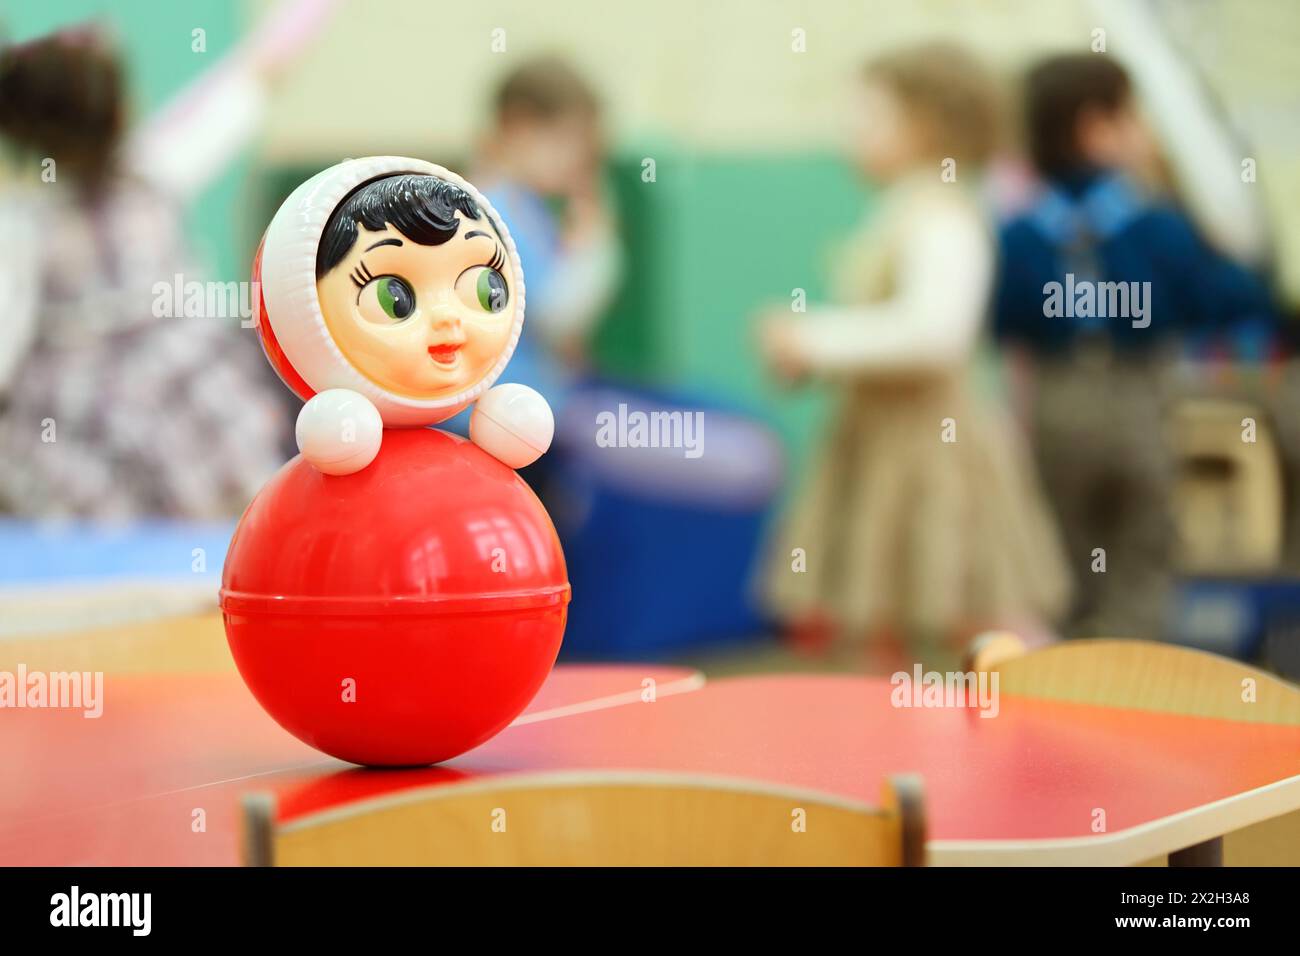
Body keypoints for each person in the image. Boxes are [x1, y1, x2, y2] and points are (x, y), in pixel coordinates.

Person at [757, 44, 1070, 669]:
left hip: (932, 448)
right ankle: (906, 735)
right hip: (882, 440)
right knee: (888, 607)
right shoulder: (903, 207)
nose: (852, 131)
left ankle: (1054, 712)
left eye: (871, 116)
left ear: (926, 126)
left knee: (964, 600)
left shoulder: (940, 213)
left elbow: (937, 332)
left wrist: (816, 338)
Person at [0, 1, 335, 519]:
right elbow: (260, 72)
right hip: (172, 407)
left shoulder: (25, 219)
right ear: (117, 111)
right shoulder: (156, 165)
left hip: (86, 423)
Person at [993, 49, 1277, 638]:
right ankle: (1130, 679)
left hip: (1056, 404)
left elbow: (1005, 321)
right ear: (1097, 129)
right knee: (1144, 546)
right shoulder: (1157, 224)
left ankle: (1062, 683)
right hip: (1139, 399)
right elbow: (1228, 298)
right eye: (1132, 118)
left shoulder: (1018, 232)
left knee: (1061, 552)